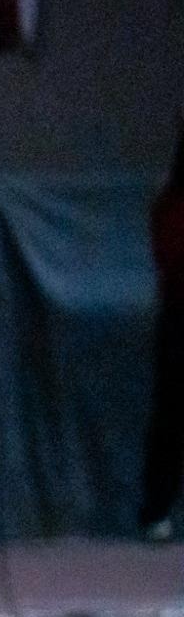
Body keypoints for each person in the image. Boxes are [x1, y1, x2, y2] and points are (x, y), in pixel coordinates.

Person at [138, 111, 184, 539]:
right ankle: (156, 512)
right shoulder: (172, 205)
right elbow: (170, 258)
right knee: (171, 417)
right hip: (179, 321)